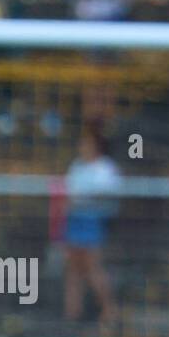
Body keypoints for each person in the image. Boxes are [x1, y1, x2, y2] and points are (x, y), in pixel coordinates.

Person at [63, 125, 120, 325]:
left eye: (86, 143)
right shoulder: (77, 166)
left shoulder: (106, 167)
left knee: (92, 266)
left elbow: (105, 196)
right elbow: (70, 193)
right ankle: (72, 313)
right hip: (75, 218)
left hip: (92, 220)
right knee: (73, 269)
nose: (82, 146)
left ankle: (109, 310)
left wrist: (85, 200)